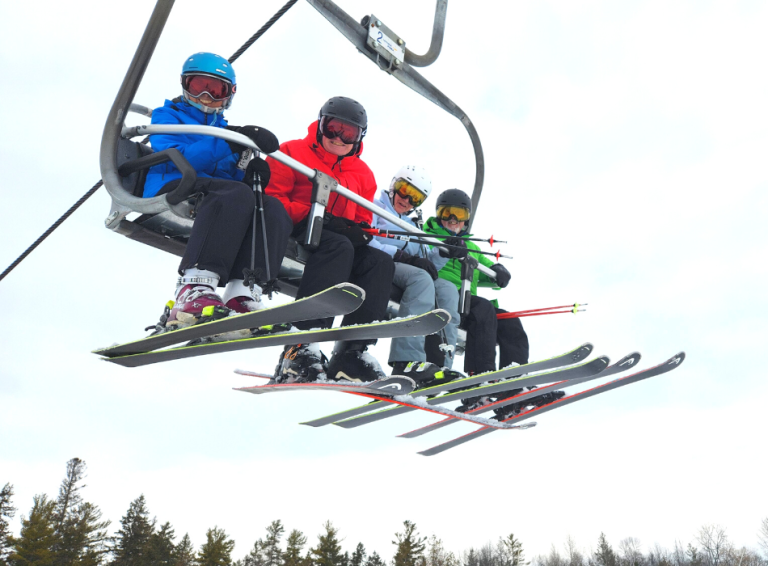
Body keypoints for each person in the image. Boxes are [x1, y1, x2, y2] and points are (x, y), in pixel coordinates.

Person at [144, 52, 293, 328]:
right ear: (184, 84)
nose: (206, 96)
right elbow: (176, 155)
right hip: (173, 180)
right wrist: (228, 143)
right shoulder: (167, 116)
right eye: (198, 85)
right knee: (233, 194)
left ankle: (243, 292)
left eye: (216, 90)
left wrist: (249, 176)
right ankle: (194, 287)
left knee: (271, 208)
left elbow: (227, 177)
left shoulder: (224, 130)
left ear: (229, 94)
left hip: (210, 190)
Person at [265, 96, 395, 383]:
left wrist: (357, 230)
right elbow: (273, 198)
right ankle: (301, 344)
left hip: (337, 237)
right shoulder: (291, 151)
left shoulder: (363, 173)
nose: (338, 138)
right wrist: (316, 215)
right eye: (333, 128)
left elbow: (363, 219)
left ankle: (352, 351)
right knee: (338, 245)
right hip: (297, 226)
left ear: (360, 137)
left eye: (348, 133)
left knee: (379, 262)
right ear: (321, 124)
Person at [368, 165, 462, 386]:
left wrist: (444, 250)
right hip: (381, 263)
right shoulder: (374, 207)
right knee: (420, 279)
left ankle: (440, 364)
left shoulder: (412, 226)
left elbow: (426, 262)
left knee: (447, 289)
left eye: (416, 198)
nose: (407, 200)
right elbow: (368, 240)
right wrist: (399, 255)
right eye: (404, 190)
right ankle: (406, 360)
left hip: (405, 269)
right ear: (393, 185)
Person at [422, 189, 529, 380]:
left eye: (459, 214)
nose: (453, 219)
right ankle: (480, 375)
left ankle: (515, 382)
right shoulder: (426, 237)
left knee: (510, 321)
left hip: (466, 303)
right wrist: (445, 249)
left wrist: (499, 271)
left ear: (467, 219)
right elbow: (423, 257)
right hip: (443, 297)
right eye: (447, 213)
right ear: (439, 215)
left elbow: (488, 271)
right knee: (483, 308)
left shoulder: (473, 247)